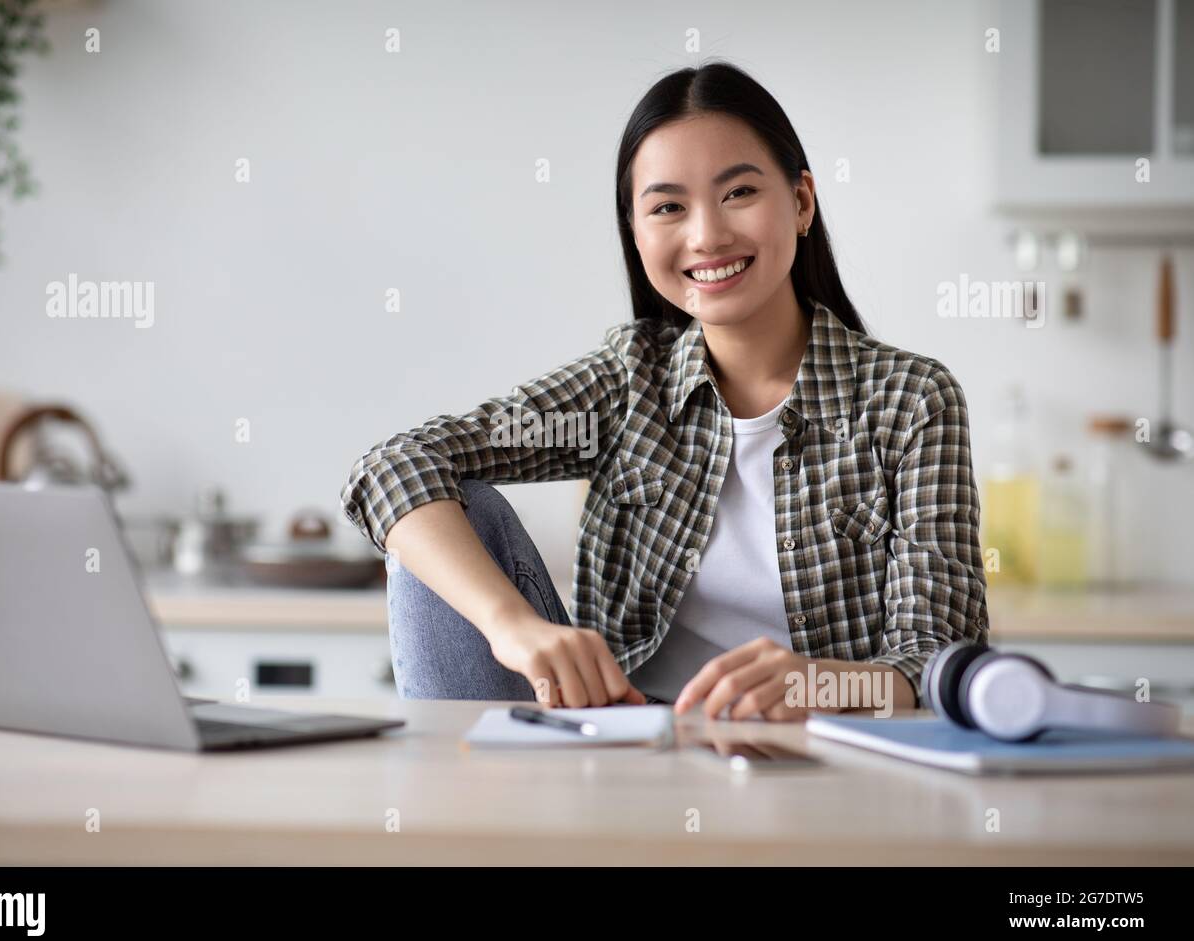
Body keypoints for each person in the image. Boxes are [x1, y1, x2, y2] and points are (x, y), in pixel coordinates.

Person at [340, 59, 989, 721]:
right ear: (637, 231)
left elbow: (934, 664)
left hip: (819, 746)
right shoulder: (626, 388)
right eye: (669, 207)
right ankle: (472, 813)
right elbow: (395, 465)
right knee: (455, 506)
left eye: (738, 193)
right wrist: (512, 626)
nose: (706, 234)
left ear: (800, 202)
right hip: (622, 744)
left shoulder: (910, 401)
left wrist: (810, 685)